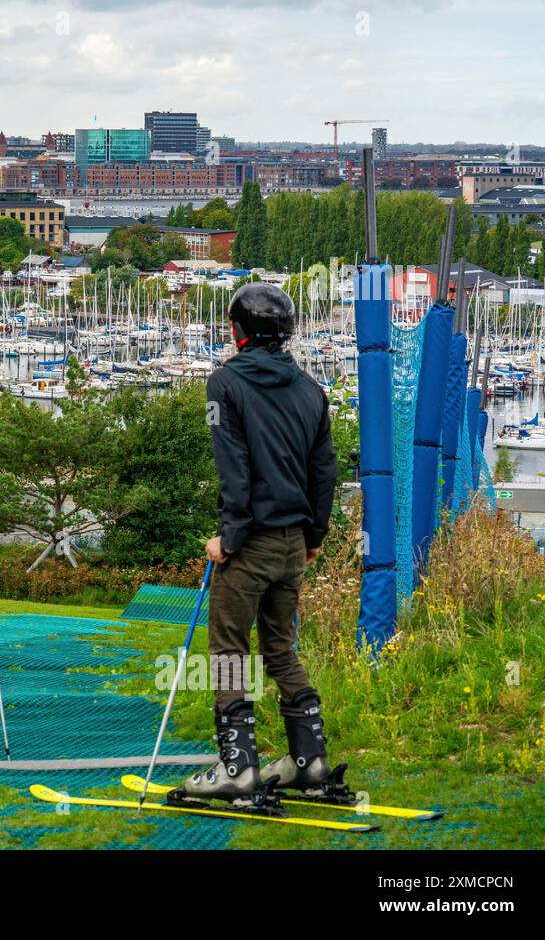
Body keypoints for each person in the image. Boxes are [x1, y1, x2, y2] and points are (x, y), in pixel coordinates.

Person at [183, 283, 338, 803]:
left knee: (228, 651)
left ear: (238, 331)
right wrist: (314, 536)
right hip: (295, 542)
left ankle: (238, 769)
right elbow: (324, 472)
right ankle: (309, 761)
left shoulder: (223, 385)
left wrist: (229, 536)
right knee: (280, 649)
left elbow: (233, 467)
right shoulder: (312, 390)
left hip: (250, 544)